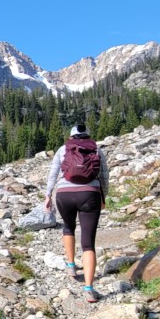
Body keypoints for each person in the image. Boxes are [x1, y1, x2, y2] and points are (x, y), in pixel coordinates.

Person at [44, 123, 109, 302]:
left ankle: (71, 265)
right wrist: (103, 196)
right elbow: (104, 175)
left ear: (71, 136)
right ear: (88, 136)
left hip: (64, 194)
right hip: (90, 194)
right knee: (88, 243)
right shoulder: (96, 148)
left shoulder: (63, 149)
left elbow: (53, 173)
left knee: (68, 226)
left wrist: (48, 194)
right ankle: (89, 289)